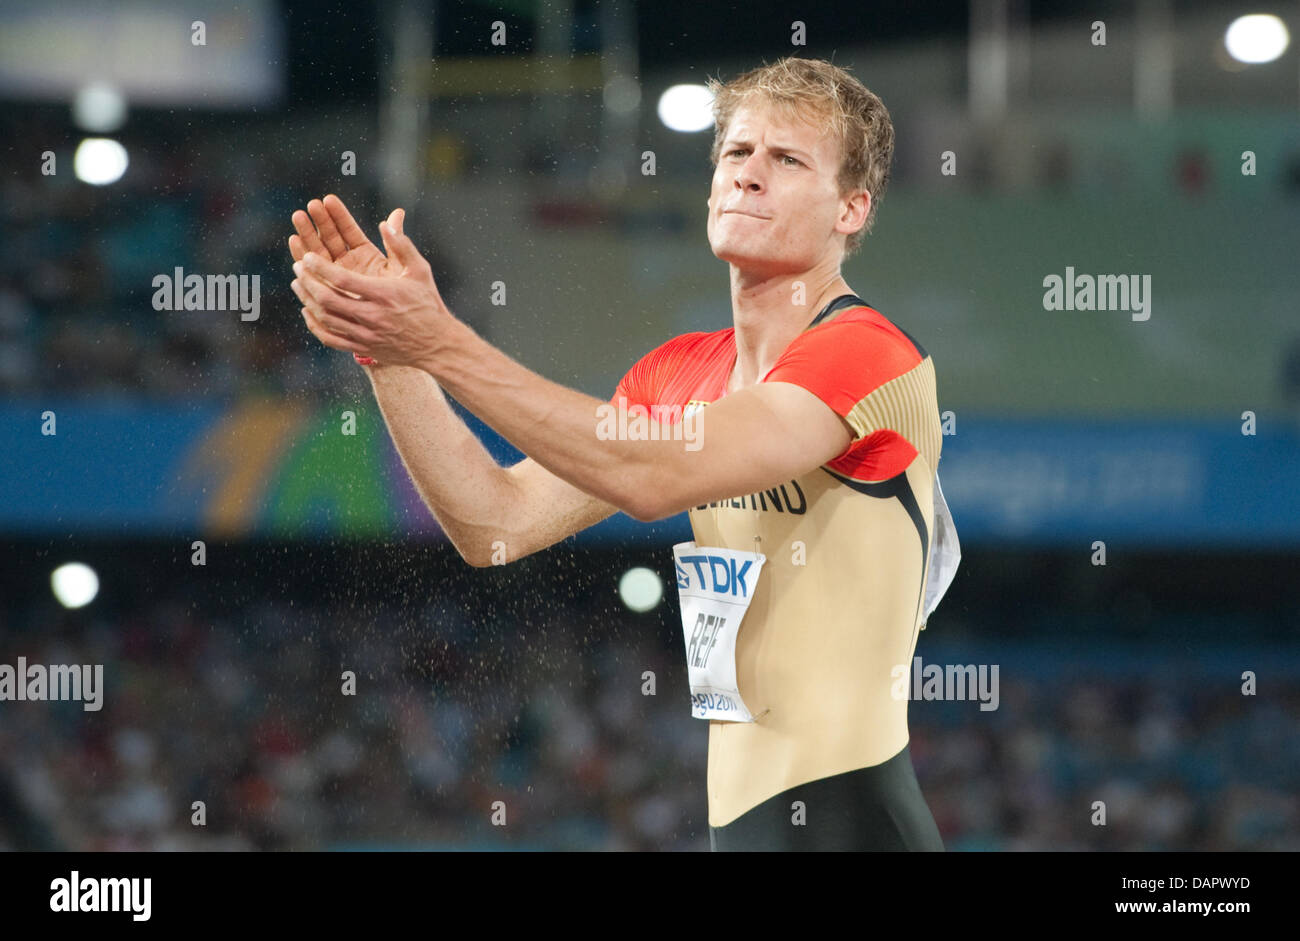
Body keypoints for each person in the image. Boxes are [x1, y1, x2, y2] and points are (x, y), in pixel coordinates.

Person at [288, 56, 956, 851]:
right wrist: (391, 355)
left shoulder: (868, 355)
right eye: (736, 154)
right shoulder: (679, 371)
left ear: (851, 209)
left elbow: (651, 475)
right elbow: (491, 522)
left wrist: (441, 340)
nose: (747, 176)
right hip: (742, 826)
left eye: (786, 160)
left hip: (856, 821)